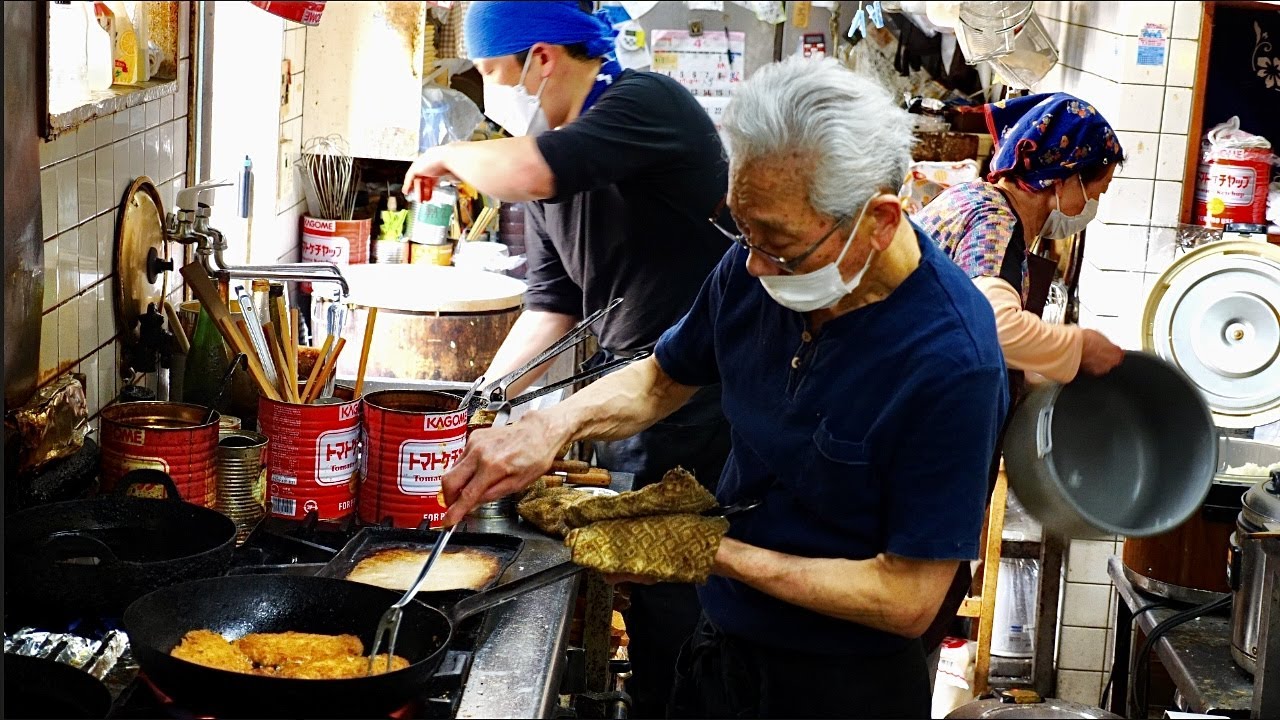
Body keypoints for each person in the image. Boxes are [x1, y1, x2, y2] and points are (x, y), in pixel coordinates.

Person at [439, 56, 1009, 718]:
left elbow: (906, 598)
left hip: (840, 689)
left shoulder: (951, 363)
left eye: (780, 244)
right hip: (720, 655)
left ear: (879, 221)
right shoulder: (752, 270)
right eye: (743, 230)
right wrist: (550, 426)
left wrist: (709, 552)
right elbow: (662, 378)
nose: (754, 263)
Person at [401, 3, 732, 715]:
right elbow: (553, 304)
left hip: (707, 386)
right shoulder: (545, 148)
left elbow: (536, 171)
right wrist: (481, 399)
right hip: (630, 385)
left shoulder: (645, 104)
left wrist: (448, 155)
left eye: (493, 71)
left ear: (542, 57)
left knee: (678, 578)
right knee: (647, 582)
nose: (493, 91)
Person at [912, 92, 1127, 680]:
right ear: (1064, 176)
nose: (1089, 208)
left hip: (913, 431)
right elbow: (992, 323)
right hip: (921, 449)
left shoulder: (974, 203)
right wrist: (1077, 348)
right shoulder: (994, 221)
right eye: (1095, 192)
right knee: (910, 619)